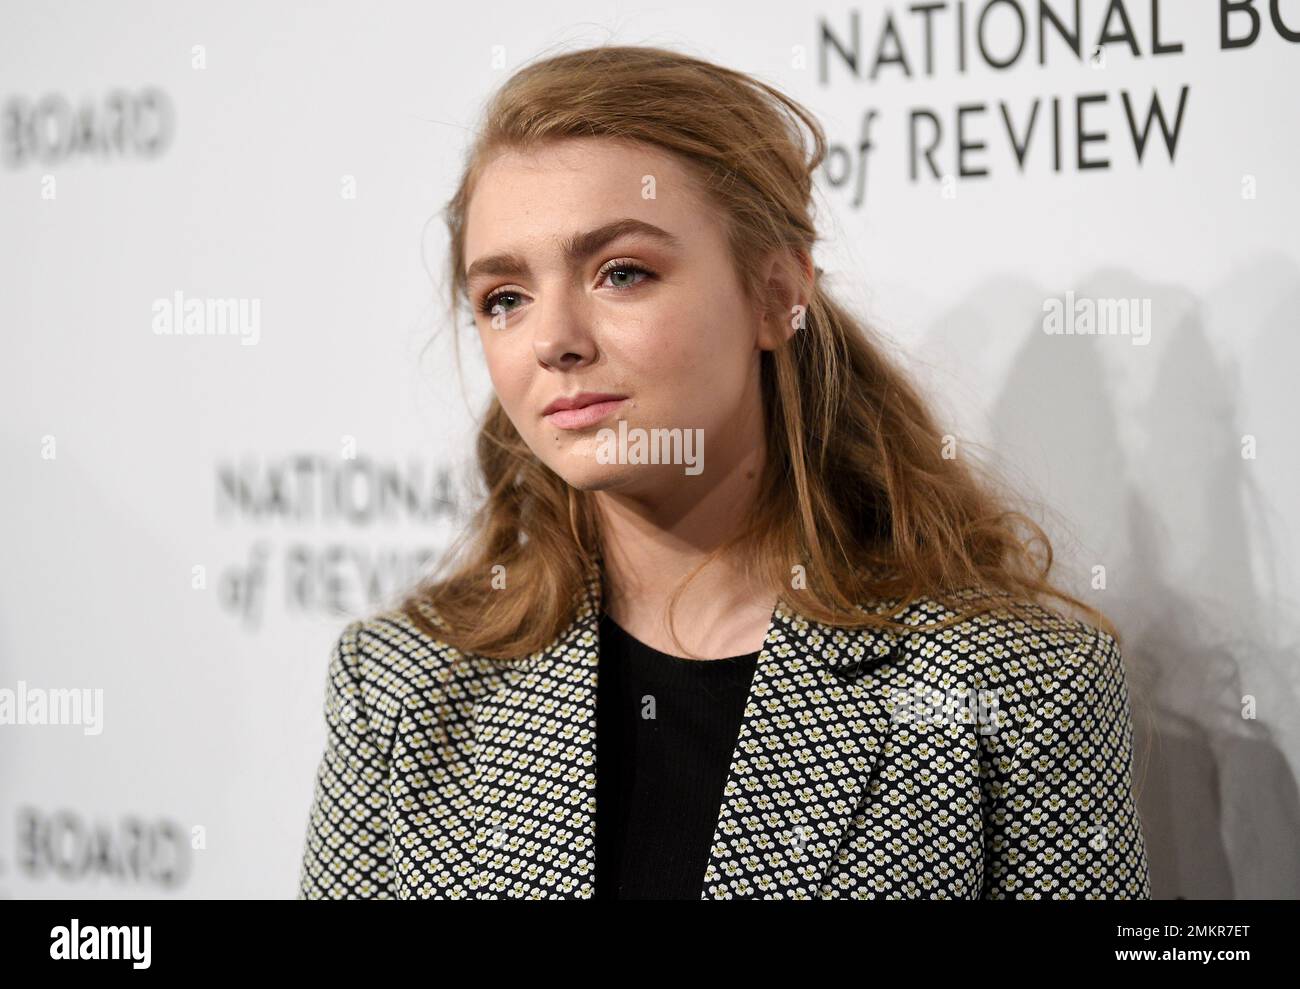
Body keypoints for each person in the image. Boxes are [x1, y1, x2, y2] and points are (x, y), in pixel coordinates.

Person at [296, 43, 1152, 900]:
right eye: (505, 298)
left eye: (620, 272)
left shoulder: (1017, 680)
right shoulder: (402, 685)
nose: (553, 338)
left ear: (779, 294)